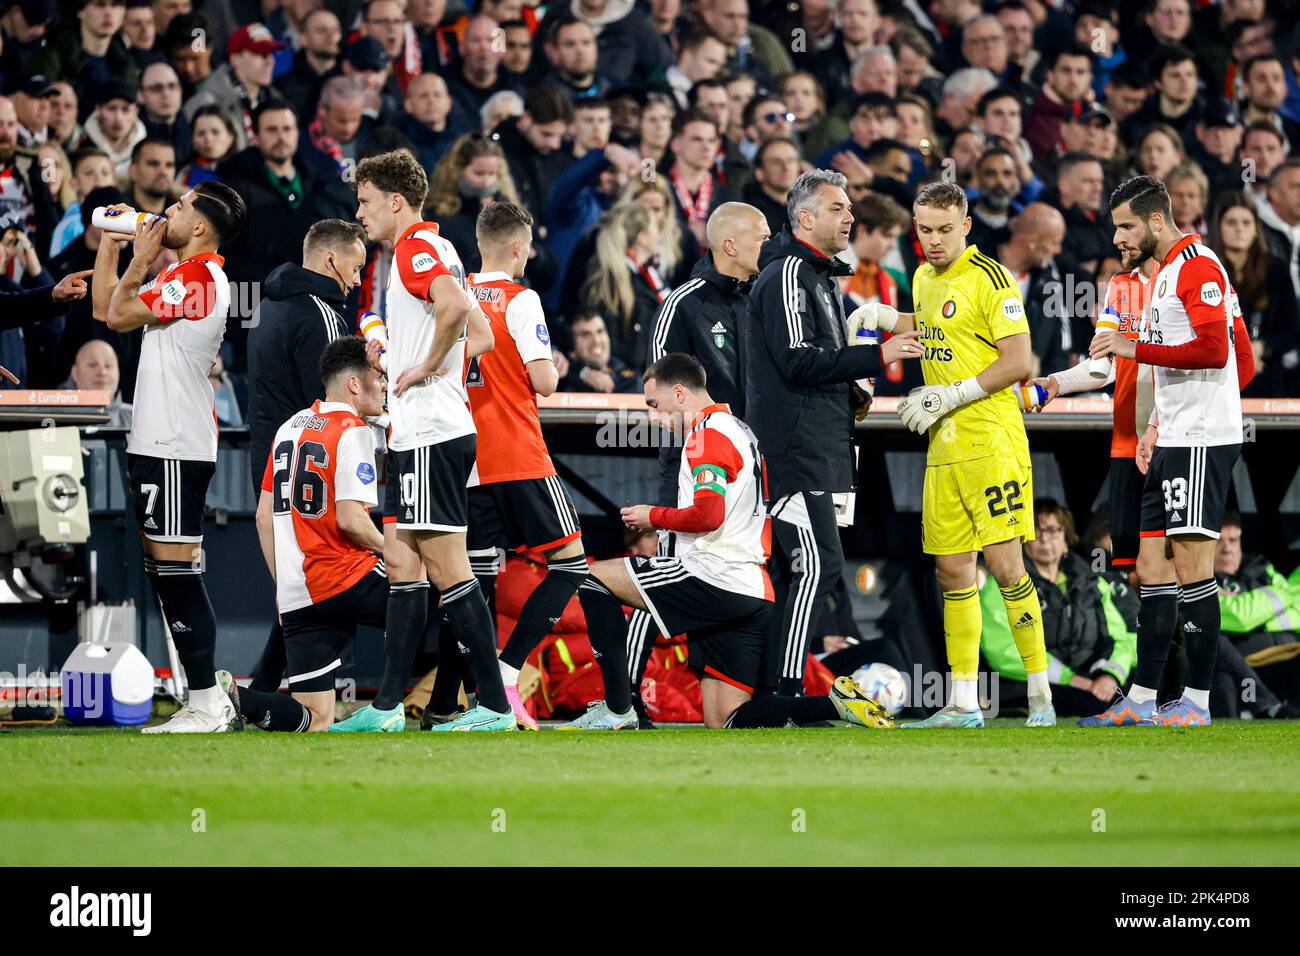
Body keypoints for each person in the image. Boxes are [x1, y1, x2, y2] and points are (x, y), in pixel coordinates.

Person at [578, 352, 892, 729]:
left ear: (680, 393)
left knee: (592, 579)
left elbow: (708, 516)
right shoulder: (739, 429)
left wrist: (652, 516)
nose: (654, 418)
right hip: (749, 592)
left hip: (713, 576)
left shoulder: (707, 435)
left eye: (655, 405)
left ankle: (617, 708)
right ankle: (834, 705)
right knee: (725, 719)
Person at [336, 149, 509, 733]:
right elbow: (479, 335)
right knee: (404, 566)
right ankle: (386, 708)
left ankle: (494, 708)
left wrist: (424, 368)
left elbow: (459, 310)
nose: (358, 213)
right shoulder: (432, 251)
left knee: (449, 569)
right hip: (423, 432)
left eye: (364, 202)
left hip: (431, 434)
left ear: (394, 201)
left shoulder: (415, 247)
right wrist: (420, 358)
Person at [874, 179, 1054, 728]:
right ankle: (963, 704)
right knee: (953, 571)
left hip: (992, 443)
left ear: (966, 227)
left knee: (1005, 567)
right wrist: (880, 318)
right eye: (924, 230)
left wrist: (950, 394)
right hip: (943, 448)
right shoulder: (926, 278)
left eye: (944, 230)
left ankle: (1042, 696)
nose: (932, 240)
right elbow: (934, 328)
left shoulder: (991, 279)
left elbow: (1020, 360)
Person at [1085, 176, 1255, 727]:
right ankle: (1140, 697)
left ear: (1157, 221)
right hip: (1174, 438)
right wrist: (1160, 422)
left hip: (1202, 441)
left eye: (1126, 226)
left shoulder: (1198, 267)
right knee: (1153, 570)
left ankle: (1198, 704)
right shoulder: (1162, 279)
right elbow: (1238, 359)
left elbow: (1217, 350)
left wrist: (1134, 348)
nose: (1118, 238)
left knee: (1192, 570)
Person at [439, 202, 617, 730]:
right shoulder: (522, 299)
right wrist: (550, 363)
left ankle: (453, 701)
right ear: (518, 247)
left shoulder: (452, 292)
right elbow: (544, 382)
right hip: (518, 454)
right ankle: (508, 669)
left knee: (466, 585)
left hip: (465, 460)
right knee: (571, 564)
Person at [746, 168, 923, 698]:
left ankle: (765, 684)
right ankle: (783, 688)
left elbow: (811, 363)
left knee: (792, 570)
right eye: (838, 208)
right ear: (804, 218)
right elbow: (797, 360)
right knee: (815, 566)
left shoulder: (819, 278)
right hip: (794, 451)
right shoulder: (785, 275)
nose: (850, 217)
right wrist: (877, 355)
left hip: (820, 448)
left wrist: (850, 392)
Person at [89, 181, 248, 734]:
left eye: (180, 208)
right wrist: (111, 247)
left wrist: (138, 259)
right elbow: (105, 305)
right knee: (167, 569)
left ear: (200, 227)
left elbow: (119, 317)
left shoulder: (202, 278)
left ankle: (206, 699)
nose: (168, 212)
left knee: (176, 570)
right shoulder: (182, 276)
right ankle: (204, 698)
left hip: (176, 442)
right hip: (158, 439)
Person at [621, 202, 768, 725]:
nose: (767, 247)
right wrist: (678, 471)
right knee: (661, 572)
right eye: (761, 238)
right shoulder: (683, 302)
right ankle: (626, 698)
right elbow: (661, 389)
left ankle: (755, 688)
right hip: (694, 466)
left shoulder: (764, 301)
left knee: (728, 569)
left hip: (747, 469)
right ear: (729, 245)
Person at [227, 335, 388, 732]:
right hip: (347, 578)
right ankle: (453, 705)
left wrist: (286, 587)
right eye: (379, 377)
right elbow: (351, 519)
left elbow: (264, 518)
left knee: (315, 720)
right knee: (446, 596)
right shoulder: (353, 431)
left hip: (298, 593)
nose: (385, 386)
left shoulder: (288, 428)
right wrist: (391, 552)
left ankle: (235, 697)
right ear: (354, 384)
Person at [979, 499, 1138, 717]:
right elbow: (1002, 650)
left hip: (1094, 681)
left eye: (1053, 530)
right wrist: (1070, 678)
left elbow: (1123, 638)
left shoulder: (1093, 583)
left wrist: (1110, 676)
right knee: (1097, 706)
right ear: (1023, 539)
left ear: (1066, 539)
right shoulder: (1003, 585)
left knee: (1134, 699)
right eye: (1036, 530)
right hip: (1032, 686)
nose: (1045, 539)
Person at [1207, 192, 1300, 397]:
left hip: (1266, 380)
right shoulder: (1204, 270)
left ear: (1256, 230)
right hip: (1215, 380)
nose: (1239, 229)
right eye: (1231, 222)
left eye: (1246, 223)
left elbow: (1292, 331)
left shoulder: (1276, 270)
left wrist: (1261, 348)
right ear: (1218, 228)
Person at [560, 311, 643, 392]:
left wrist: (613, 380)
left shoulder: (628, 375)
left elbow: (637, 384)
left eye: (600, 331)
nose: (596, 341)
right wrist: (582, 373)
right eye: (585, 334)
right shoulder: (560, 377)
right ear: (572, 343)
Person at [67, 338, 132, 426]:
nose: (102, 372)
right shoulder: (56, 418)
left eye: (108, 366)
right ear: (75, 373)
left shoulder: (138, 418)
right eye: (92, 365)